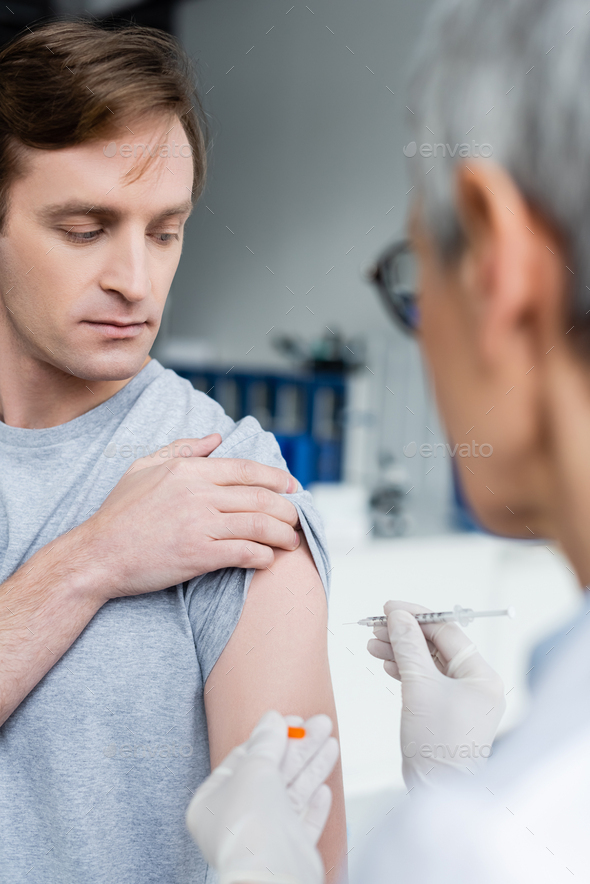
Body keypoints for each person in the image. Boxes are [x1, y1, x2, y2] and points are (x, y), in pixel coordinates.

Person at [184, 0, 590, 880]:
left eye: (410, 276)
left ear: (496, 266)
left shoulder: (476, 847)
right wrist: (456, 781)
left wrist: (264, 865)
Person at [0, 19, 348, 884]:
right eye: (84, 228)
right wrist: (93, 560)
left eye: (166, 231)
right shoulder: (154, 522)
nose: (137, 280)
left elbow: (310, 866)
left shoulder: (229, 489)